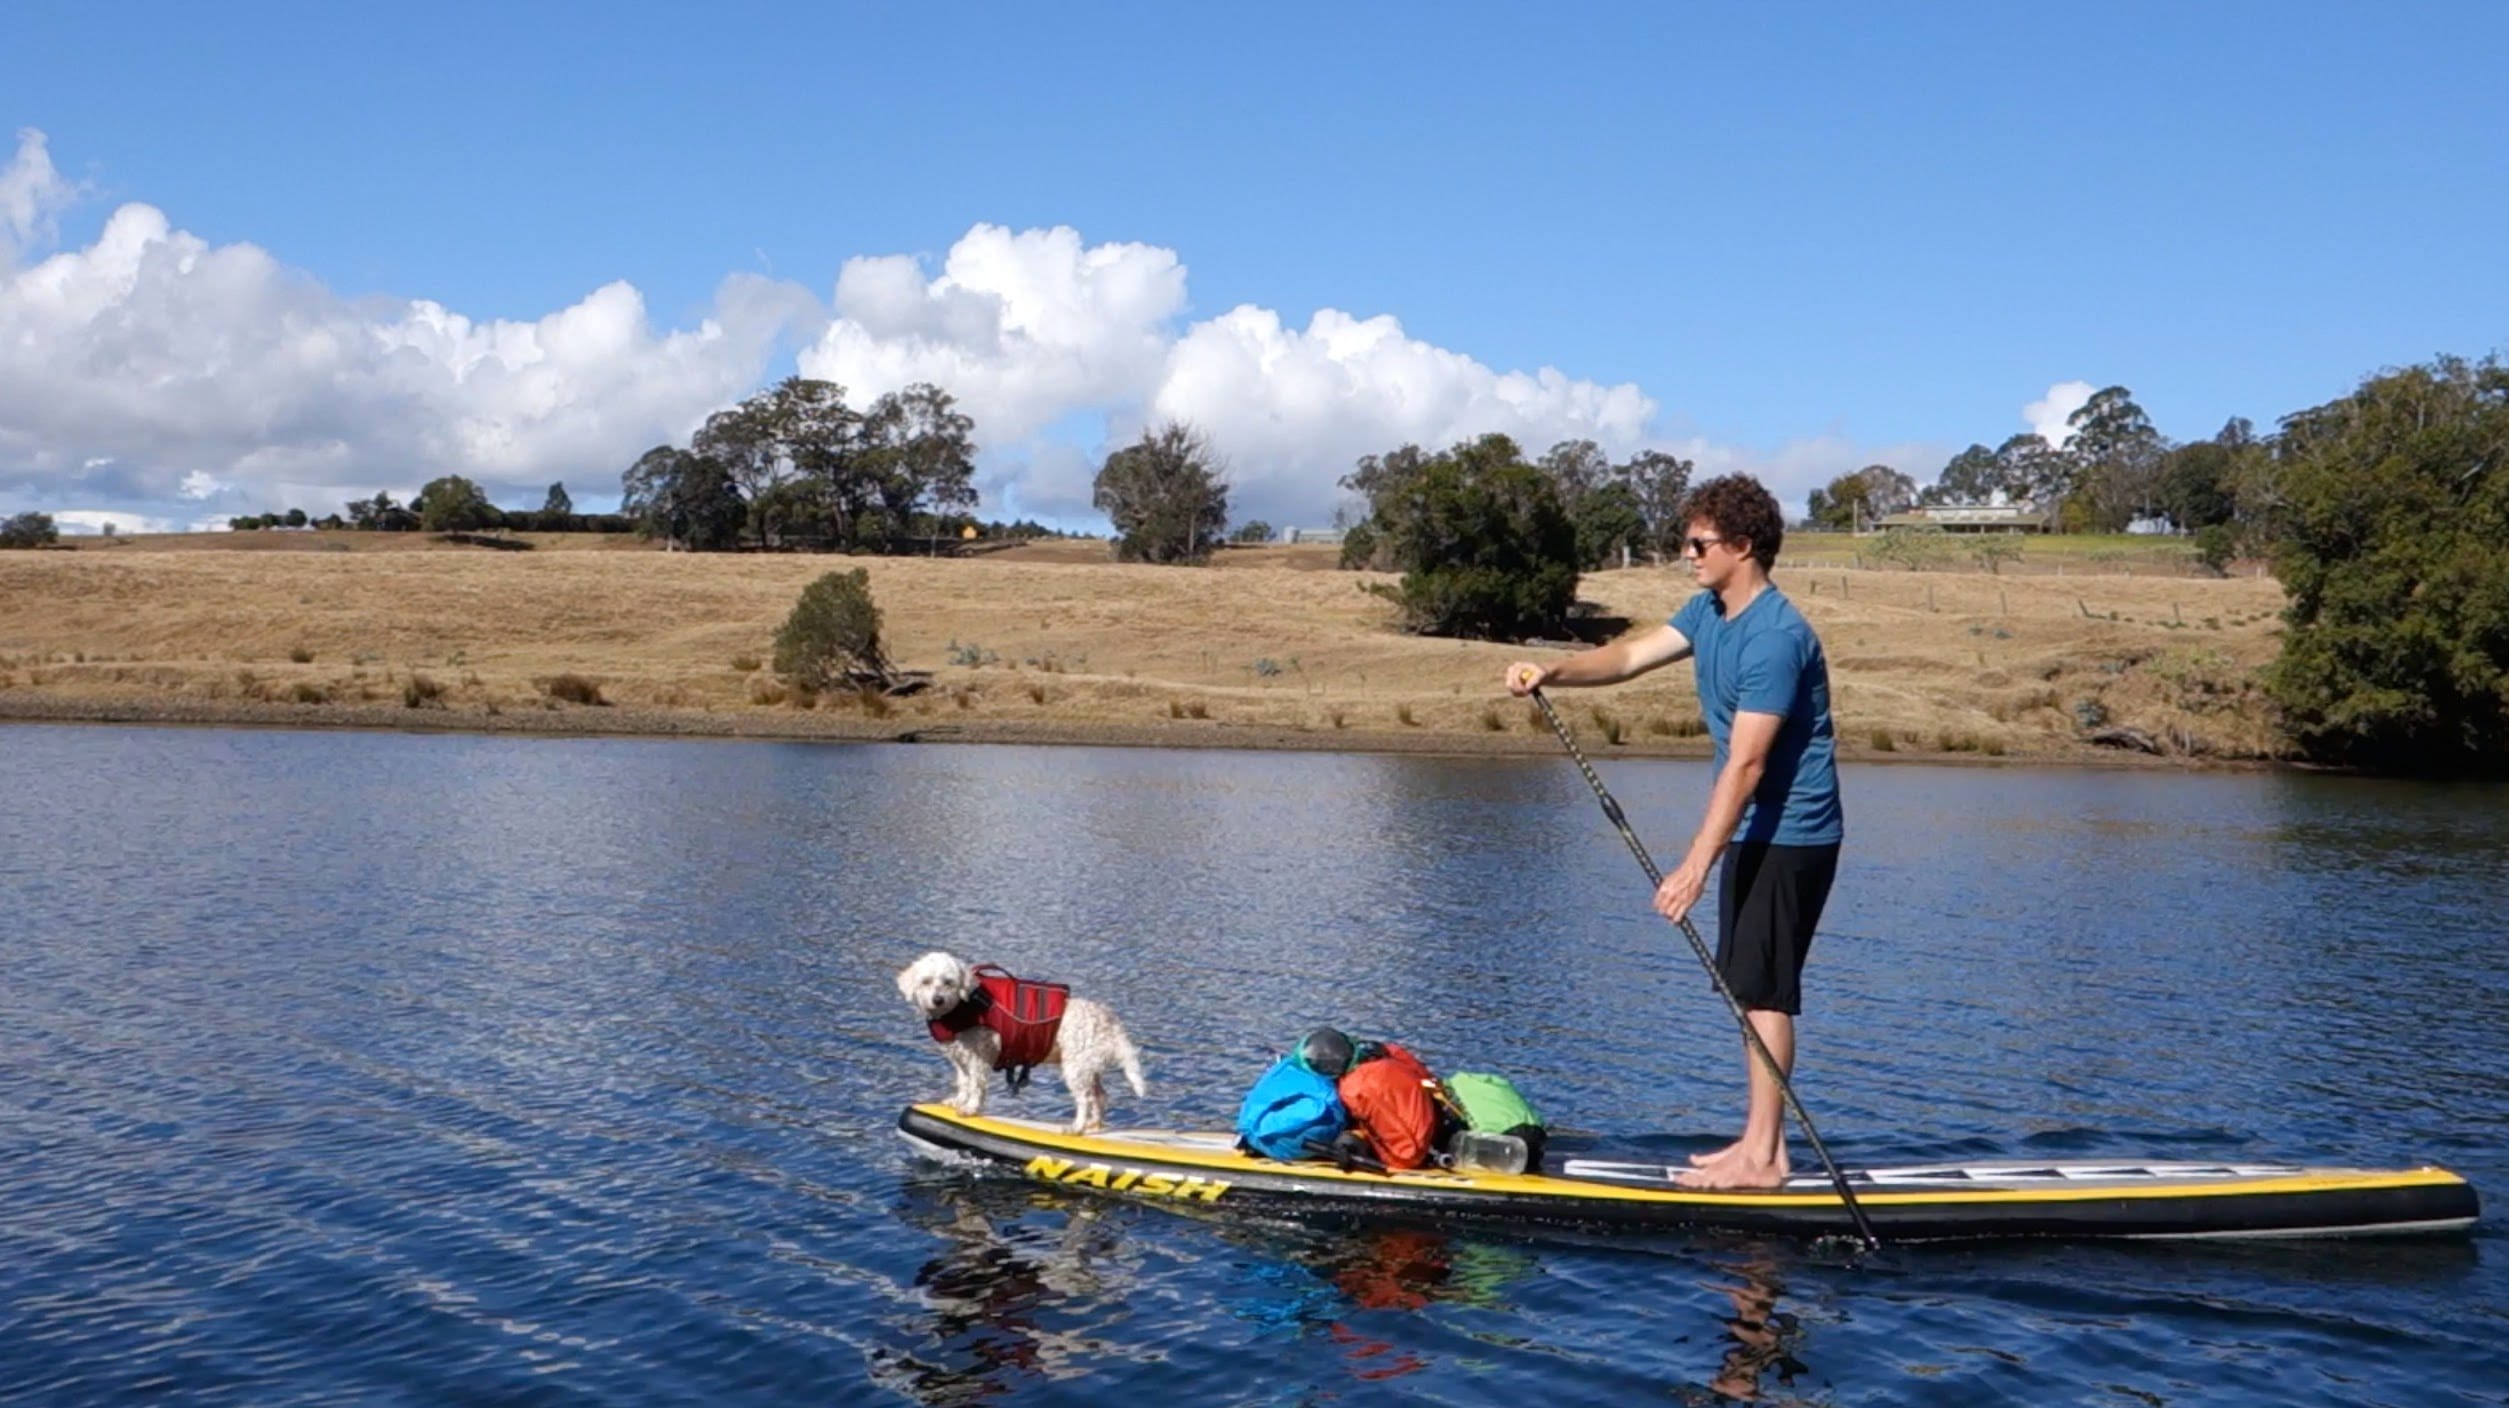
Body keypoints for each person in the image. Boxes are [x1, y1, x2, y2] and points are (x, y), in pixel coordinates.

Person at [1505, 474, 1842, 1190]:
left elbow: (1747, 763)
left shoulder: (1776, 637)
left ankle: (1767, 1156)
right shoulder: (1707, 611)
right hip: (1756, 831)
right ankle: (1755, 1144)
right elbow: (1627, 657)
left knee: (1767, 993)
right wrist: (1554, 671)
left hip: (1795, 831)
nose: (1686, 554)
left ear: (1742, 546)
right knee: (1746, 989)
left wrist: (1692, 866)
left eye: (1698, 543)